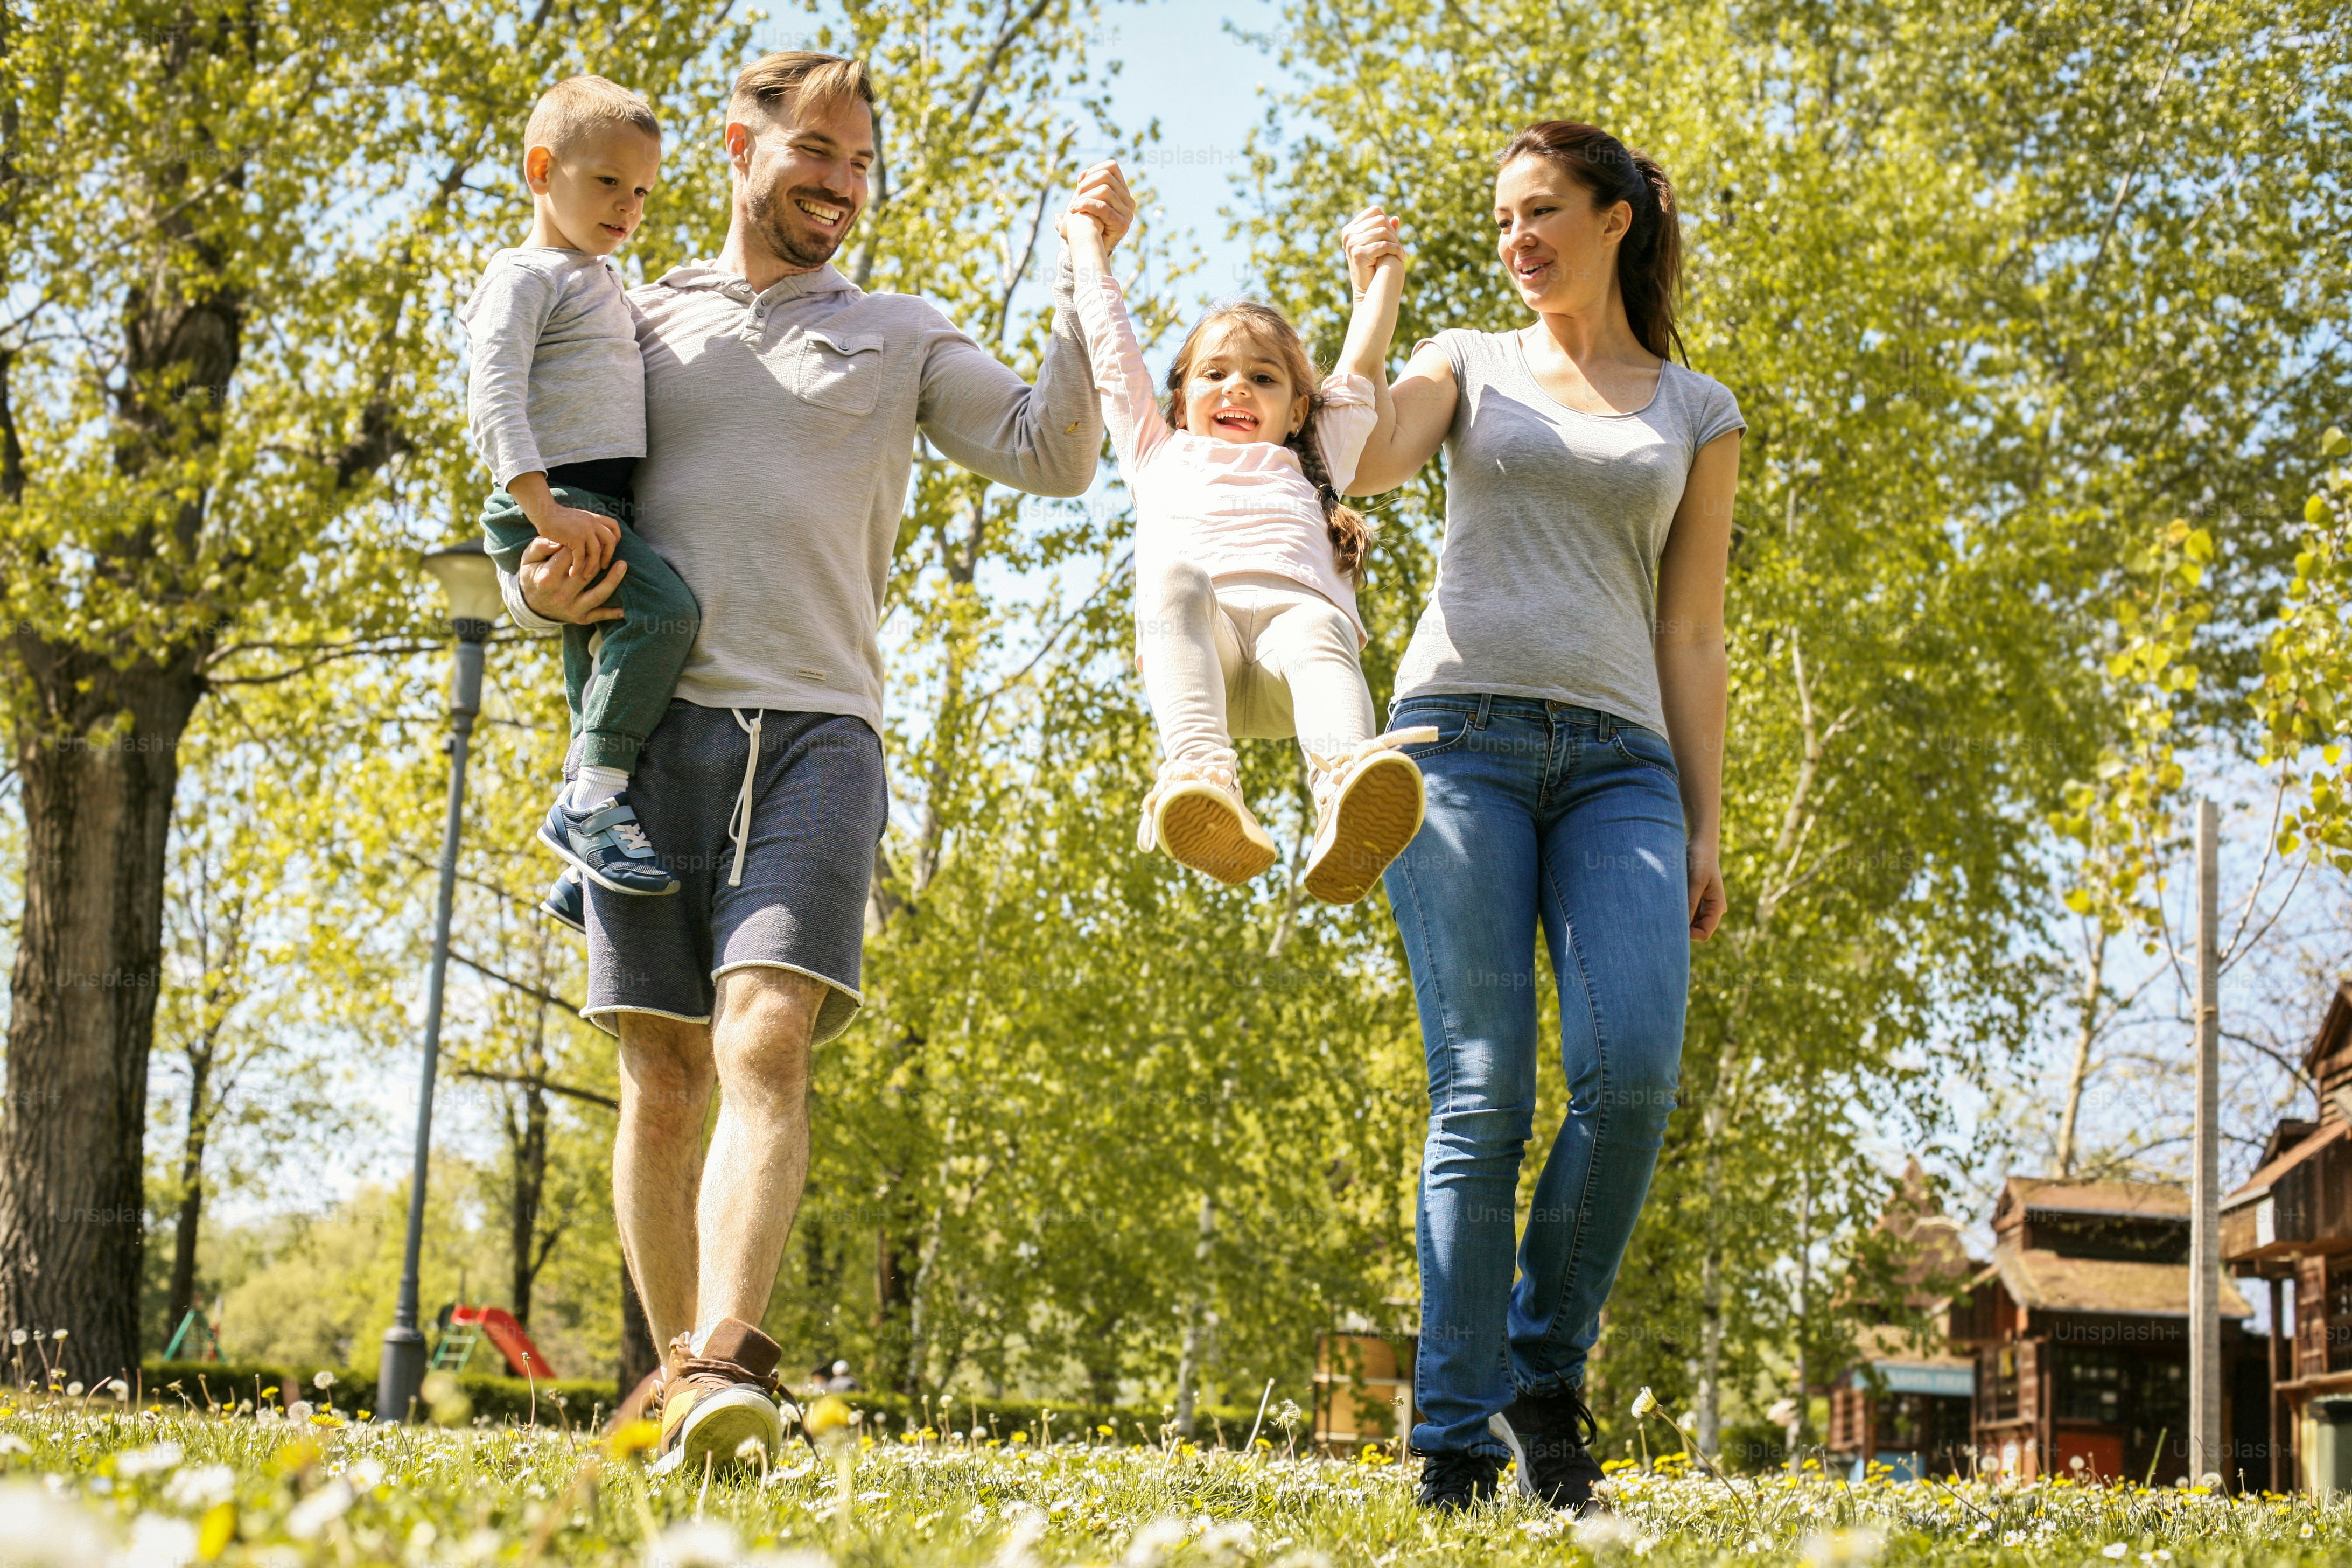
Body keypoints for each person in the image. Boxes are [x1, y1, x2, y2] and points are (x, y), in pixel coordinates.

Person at [501, 51, 1132, 1476]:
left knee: (768, 1037)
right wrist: (539, 590)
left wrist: (1087, 280)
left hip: (817, 731)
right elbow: (556, 511)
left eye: (860, 164)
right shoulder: (628, 317)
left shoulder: (898, 331)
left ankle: (730, 1358)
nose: (842, 185)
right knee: (663, 1072)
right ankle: (681, 1390)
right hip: (650, 729)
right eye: (818, 155)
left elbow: (1054, 454)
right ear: (740, 148)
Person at [1343, 121, 1743, 1511]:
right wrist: (1376, 302)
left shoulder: (1697, 409)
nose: (1517, 240)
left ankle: (1541, 1368)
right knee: (1485, 1091)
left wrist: (1704, 823)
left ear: (1617, 218)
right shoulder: (1469, 358)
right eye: (1503, 219)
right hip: (1455, 747)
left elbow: (1694, 633)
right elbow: (1364, 459)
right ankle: (1455, 1445)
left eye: (1542, 213)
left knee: (1632, 1074)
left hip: (1625, 765)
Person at [1061, 178, 1432, 903]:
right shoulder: (1155, 449)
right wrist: (1085, 243)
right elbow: (1110, 346)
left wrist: (1381, 276)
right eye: (1216, 374)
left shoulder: (1316, 455)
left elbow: (1360, 366)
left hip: (1297, 666)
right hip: (1210, 659)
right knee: (1174, 581)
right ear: (1178, 400)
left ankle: (1343, 788)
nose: (1237, 389)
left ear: (1297, 409)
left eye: (1261, 379)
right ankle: (1201, 776)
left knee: (1319, 621)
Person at [461, 75, 702, 929]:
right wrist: (543, 510)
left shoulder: (600, 279)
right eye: (607, 182)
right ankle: (588, 810)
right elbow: (491, 395)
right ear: (540, 170)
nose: (628, 205)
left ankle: (583, 859)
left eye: (641, 191)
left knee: (597, 678)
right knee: (667, 613)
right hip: (558, 494)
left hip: (596, 499)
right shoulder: (526, 276)